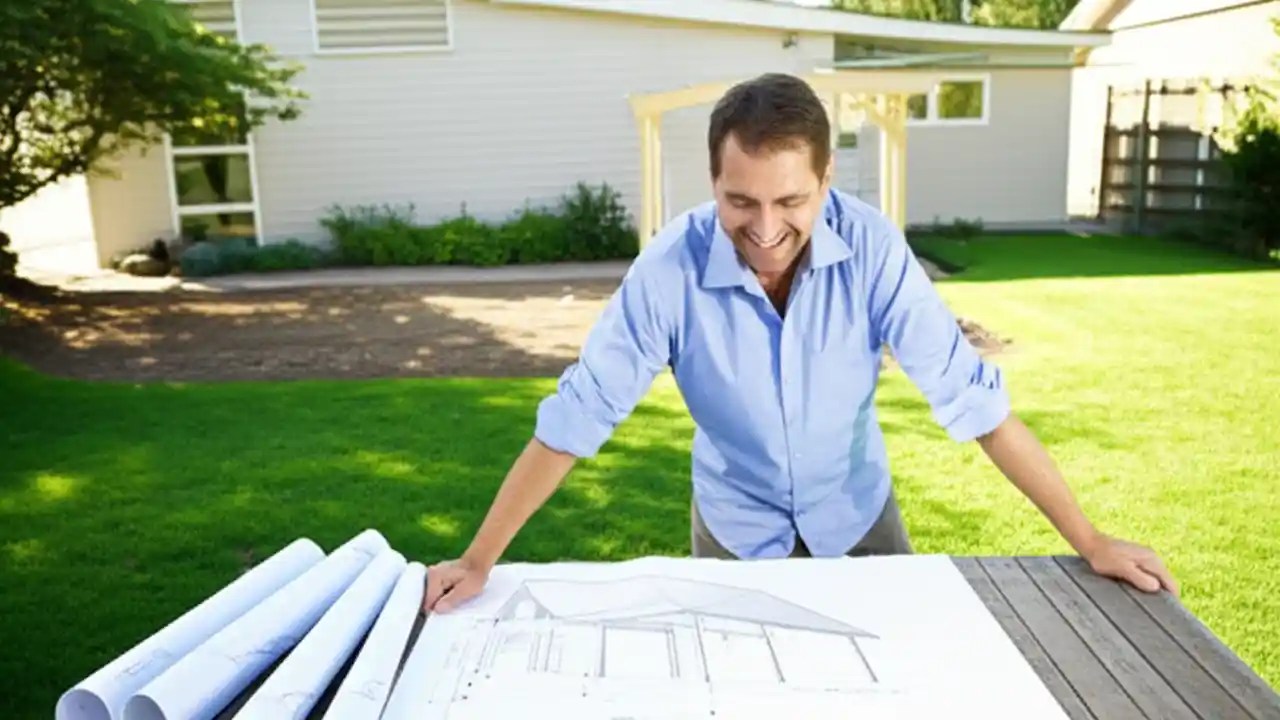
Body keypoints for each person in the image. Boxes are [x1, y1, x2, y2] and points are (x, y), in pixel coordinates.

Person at [422, 72, 1177, 613]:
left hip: (861, 517)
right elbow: (575, 420)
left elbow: (974, 403)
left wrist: (1090, 539)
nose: (765, 227)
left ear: (826, 178)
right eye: (739, 200)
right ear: (712, 179)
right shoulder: (669, 270)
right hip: (733, 529)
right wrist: (479, 559)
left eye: (791, 199)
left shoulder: (875, 249)